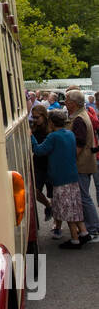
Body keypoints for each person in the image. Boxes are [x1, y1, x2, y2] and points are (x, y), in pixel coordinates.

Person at [30, 107, 88, 248]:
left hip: (60, 178)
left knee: (66, 208)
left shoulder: (53, 136)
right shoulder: (70, 134)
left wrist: (30, 136)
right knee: (74, 206)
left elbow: (39, 150)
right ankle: (84, 233)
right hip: (72, 175)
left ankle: (75, 239)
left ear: (51, 122)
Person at [63, 88, 99, 238]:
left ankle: (93, 228)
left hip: (82, 162)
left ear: (73, 103)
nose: (65, 102)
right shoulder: (80, 115)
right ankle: (92, 227)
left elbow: (80, 144)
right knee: (84, 196)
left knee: (84, 197)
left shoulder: (79, 119)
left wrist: (69, 160)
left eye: (67, 100)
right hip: (85, 161)